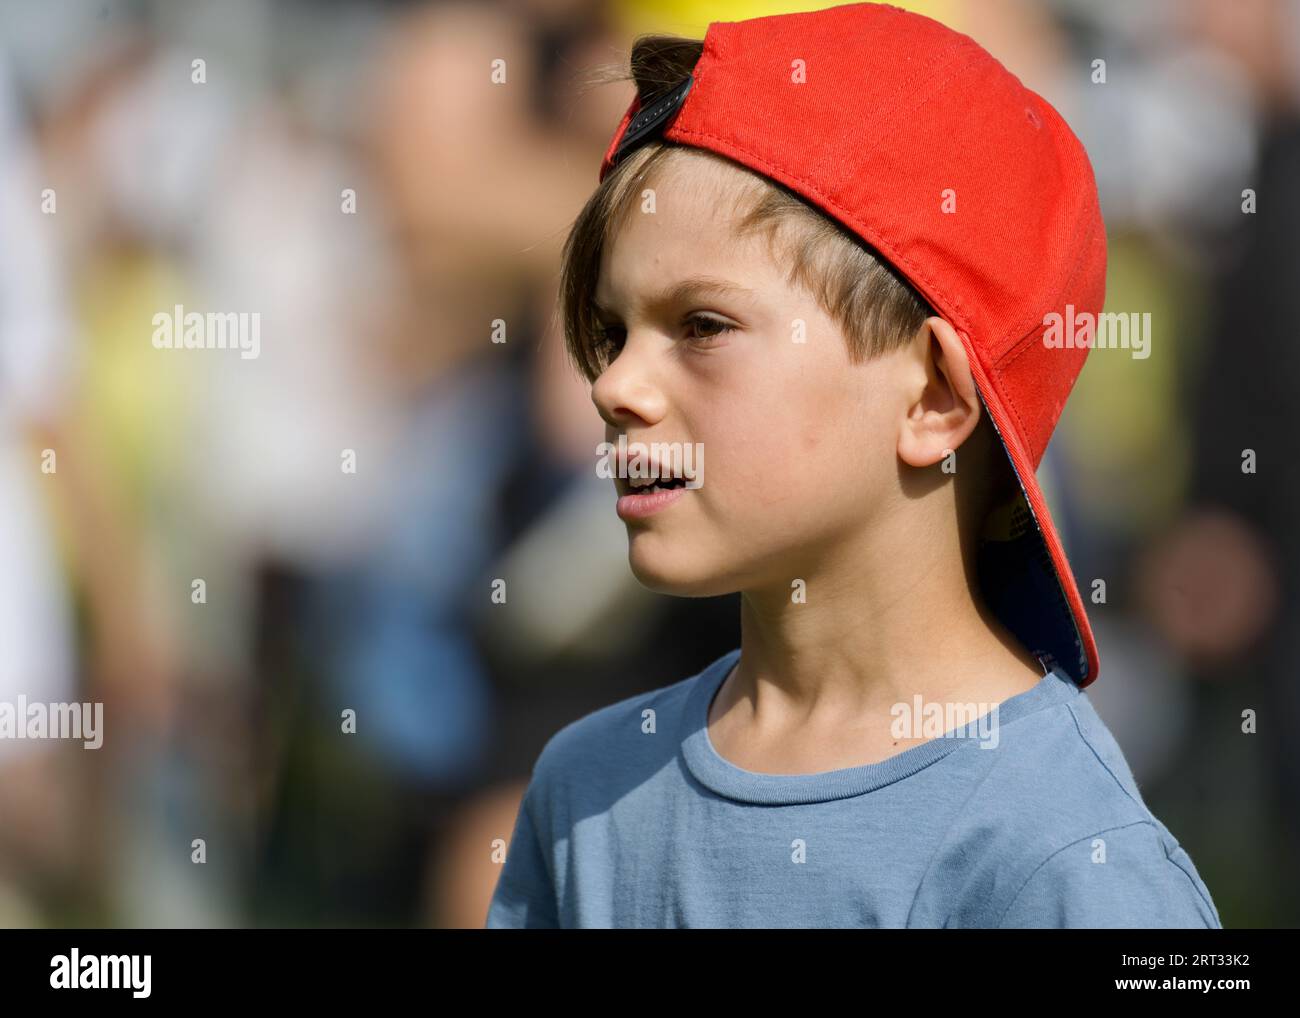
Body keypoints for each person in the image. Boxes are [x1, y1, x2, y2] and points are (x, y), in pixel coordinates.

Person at [485, 2, 1221, 928]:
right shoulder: (584, 794)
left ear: (934, 399)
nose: (615, 384)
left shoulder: (1072, 865)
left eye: (702, 326)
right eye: (611, 331)